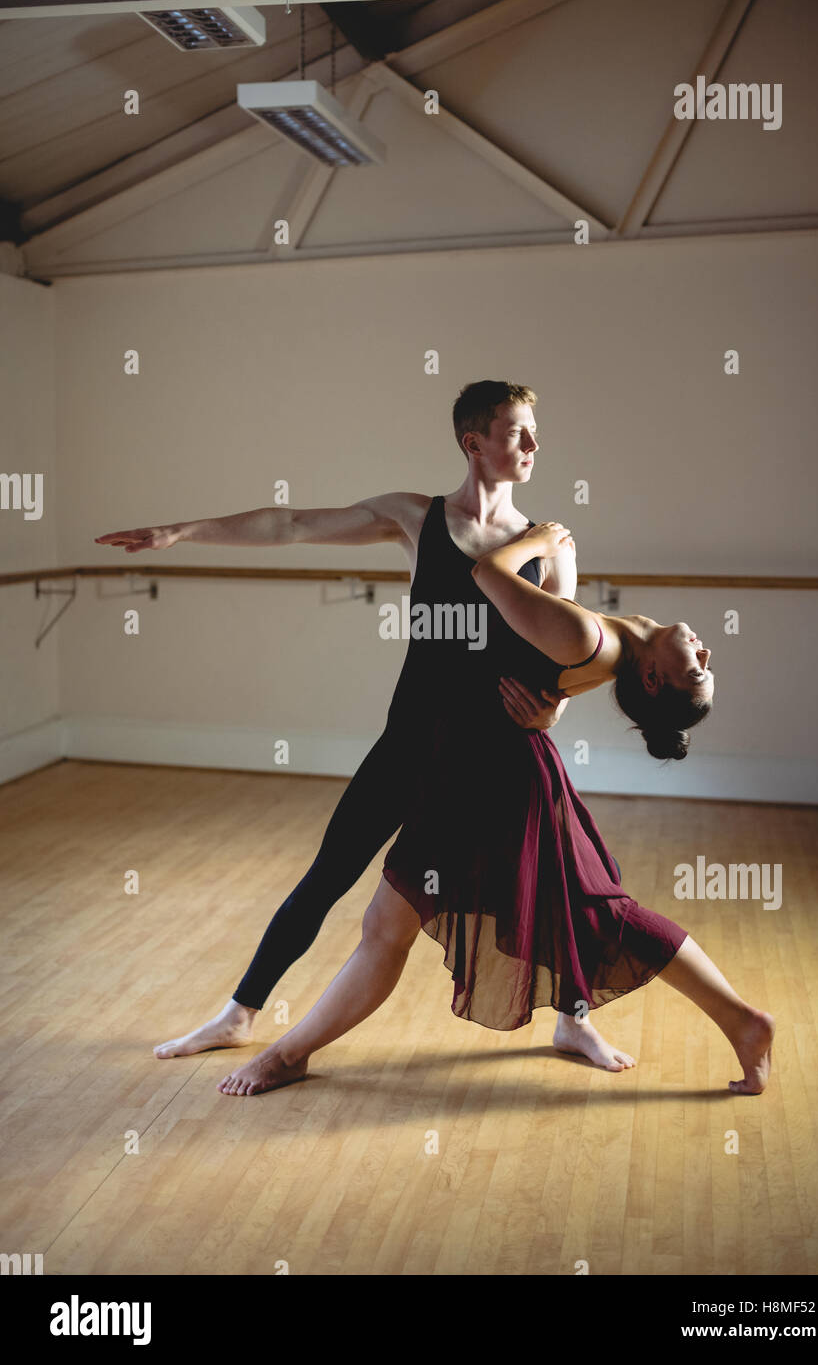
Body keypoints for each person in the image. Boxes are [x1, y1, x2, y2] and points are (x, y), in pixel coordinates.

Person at [95, 382, 630, 1074]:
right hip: (412, 744)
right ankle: (238, 1014)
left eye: (534, 432)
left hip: (501, 751)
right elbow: (291, 525)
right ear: (474, 443)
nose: (533, 445)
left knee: (552, 883)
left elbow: (574, 652)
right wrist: (182, 531)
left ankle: (574, 1022)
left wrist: (557, 711)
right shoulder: (415, 517)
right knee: (328, 875)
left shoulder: (548, 544)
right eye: (517, 432)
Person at [214, 509, 772, 1100]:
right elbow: (543, 650)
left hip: (483, 777)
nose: (705, 654)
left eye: (698, 671)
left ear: (655, 680)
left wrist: (537, 543)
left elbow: (488, 575)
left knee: (392, 927)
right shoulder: (614, 642)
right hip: (494, 767)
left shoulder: (596, 640)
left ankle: (286, 1055)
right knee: (583, 913)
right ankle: (716, 1021)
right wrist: (561, 564)